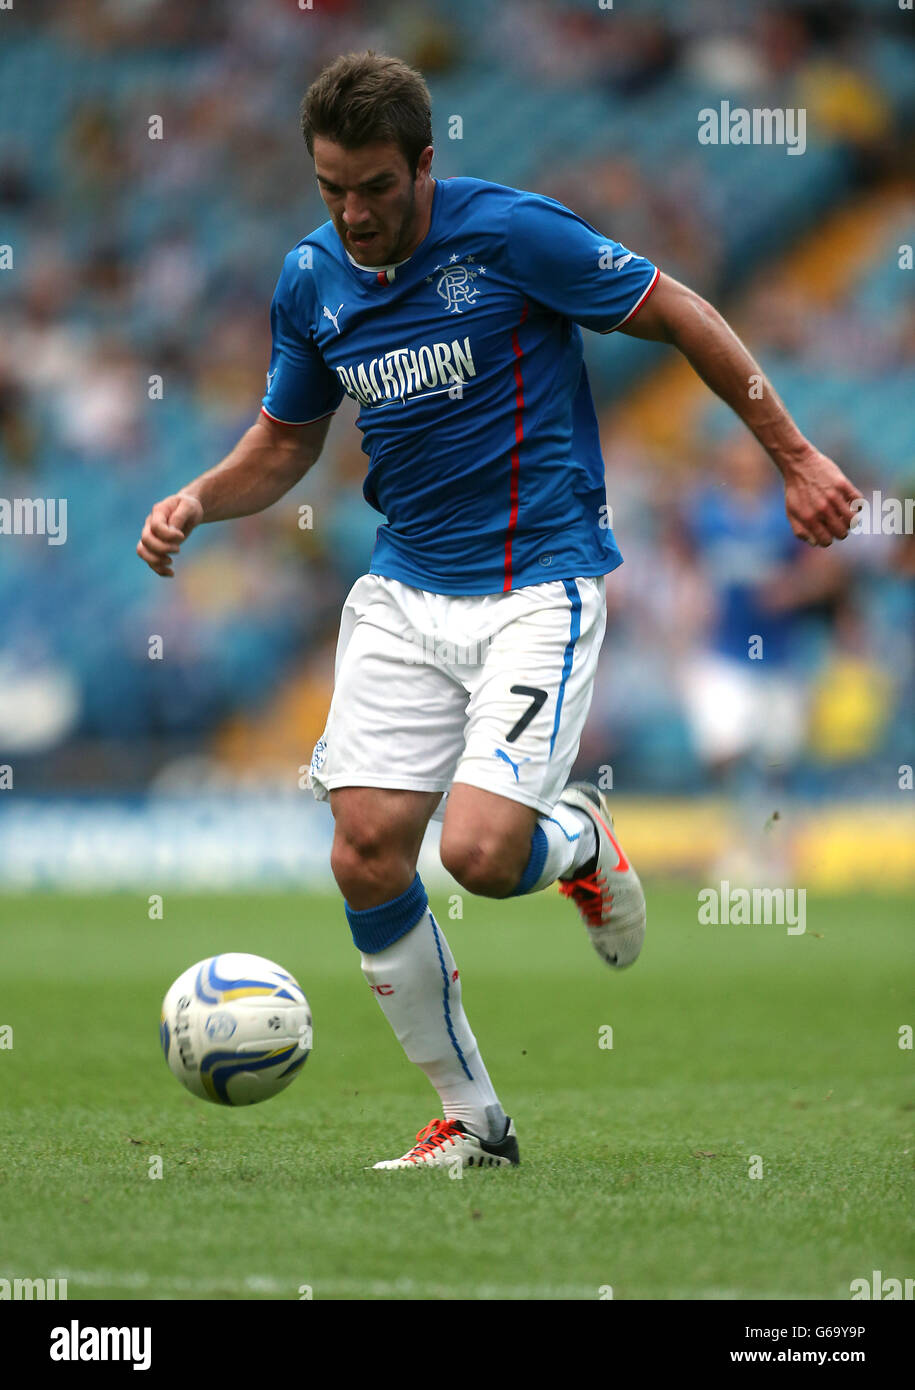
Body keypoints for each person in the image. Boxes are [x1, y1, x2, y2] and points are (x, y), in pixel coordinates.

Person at [137, 51, 861, 1170]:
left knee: (478, 854)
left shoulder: (514, 235)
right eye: (332, 187)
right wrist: (196, 499)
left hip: (539, 582)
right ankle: (473, 1121)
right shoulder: (311, 279)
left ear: (426, 165)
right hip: (404, 587)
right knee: (366, 853)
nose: (354, 211)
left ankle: (578, 838)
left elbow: (679, 311)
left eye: (376, 186)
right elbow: (286, 442)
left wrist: (796, 455)